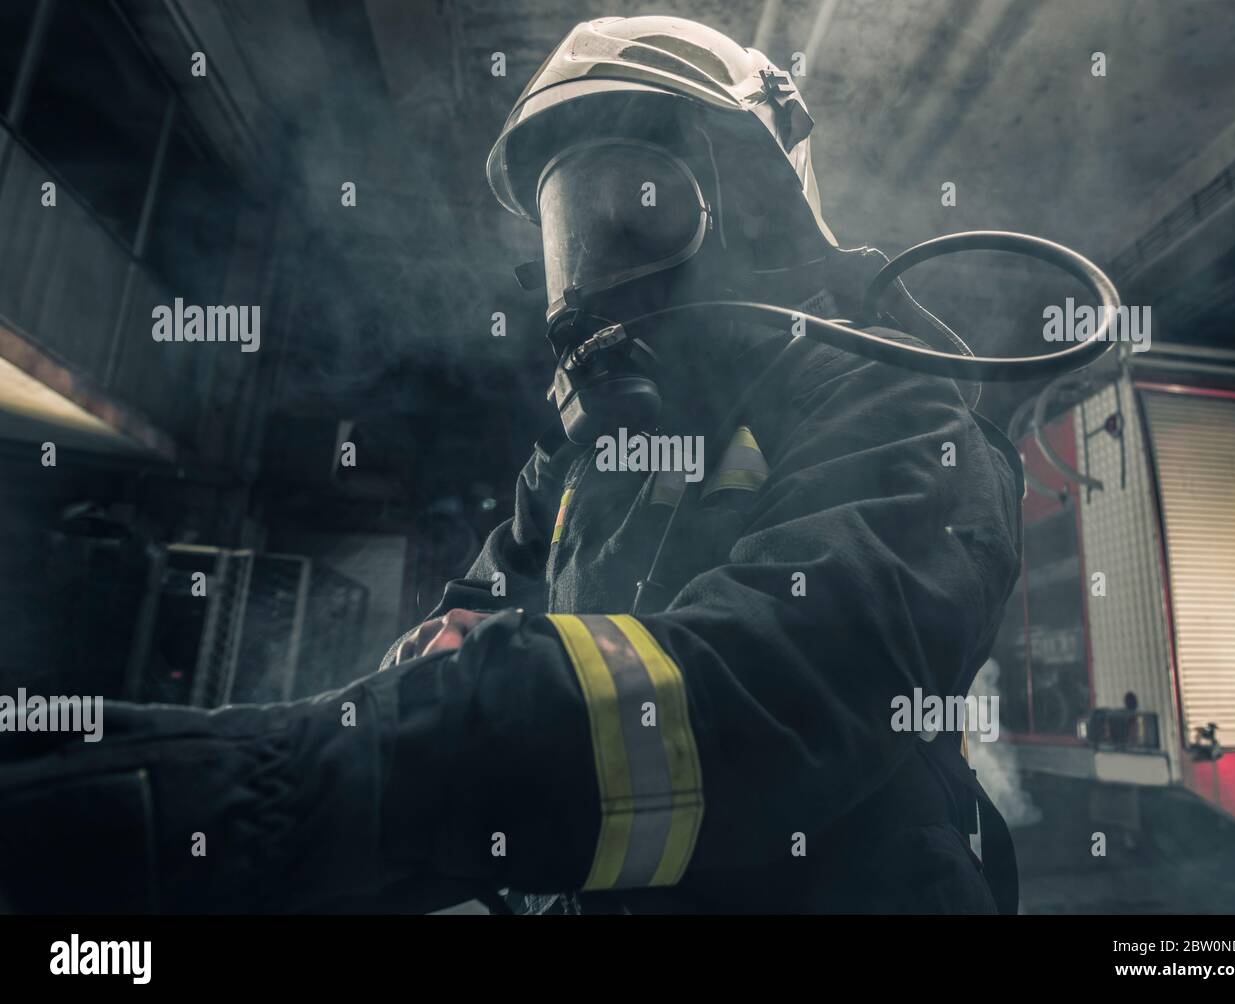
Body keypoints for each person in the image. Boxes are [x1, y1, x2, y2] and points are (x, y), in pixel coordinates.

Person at [0, 15, 1023, 915]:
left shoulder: (895, 408)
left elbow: (768, 692)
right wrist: (287, 756)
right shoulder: (584, 458)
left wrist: (300, 789)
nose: (591, 272)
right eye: (568, 226)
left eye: (633, 203)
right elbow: (467, 633)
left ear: (752, 204)